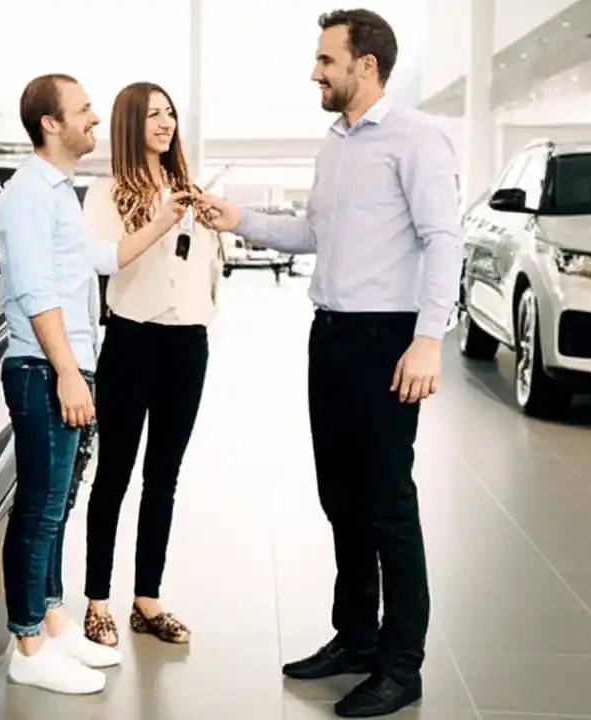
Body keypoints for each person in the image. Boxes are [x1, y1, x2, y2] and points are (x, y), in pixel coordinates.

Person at [198, 9, 463, 717]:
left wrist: (429, 338)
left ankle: (400, 666)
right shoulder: (336, 145)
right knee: (341, 496)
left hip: (388, 339)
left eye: (325, 60)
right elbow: (313, 234)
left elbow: (444, 239)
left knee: (388, 506)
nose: (314, 72)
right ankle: (357, 637)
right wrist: (240, 219)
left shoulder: (415, 137)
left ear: (365, 65)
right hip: (333, 337)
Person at [0, 73, 192, 695]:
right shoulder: (29, 194)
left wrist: (163, 222)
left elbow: (99, 261)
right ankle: (28, 644)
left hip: (69, 365)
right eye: (83, 111)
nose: (94, 120)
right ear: (50, 123)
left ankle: (53, 624)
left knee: (57, 508)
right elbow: (36, 293)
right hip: (44, 369)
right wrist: (66, 372)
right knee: (39, 508)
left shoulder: (59, 193)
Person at [78, 81, 223, 649]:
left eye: (170, 114)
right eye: (153, 115)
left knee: (164, 476)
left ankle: (148, 600)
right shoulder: (105, 192)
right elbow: (105, 261)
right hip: (132, 341)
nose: (165, 123)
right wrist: (161, 221)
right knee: (113, 474)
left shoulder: (189, 190)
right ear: (129, 123)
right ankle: (96, 599)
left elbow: (201, 267)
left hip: (188, 343)